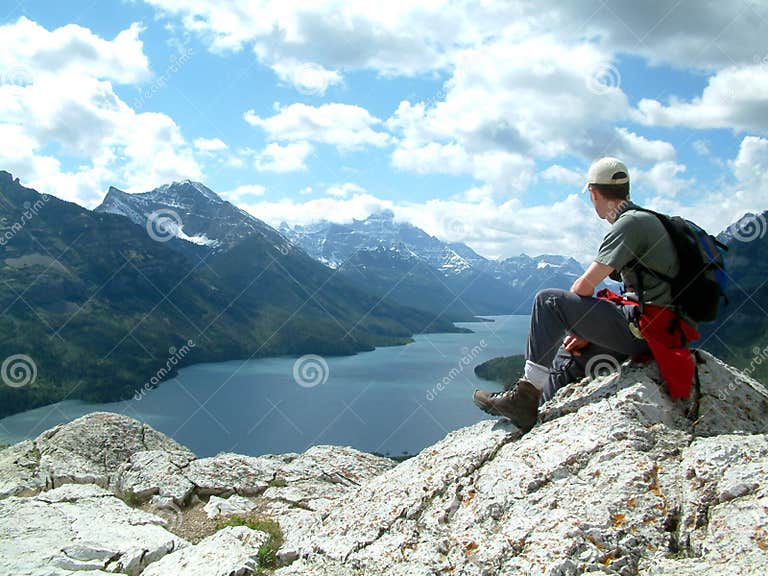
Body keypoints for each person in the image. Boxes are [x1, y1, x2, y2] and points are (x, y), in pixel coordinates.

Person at [473, 156, 687, 432]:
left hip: (646, 329)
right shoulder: (649, 221)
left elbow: (583, 288)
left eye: (591, 197)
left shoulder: (629, 225)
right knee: (572, 353)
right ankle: (533, 411)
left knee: (548, 301)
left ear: (594, 193)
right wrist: (585, 331)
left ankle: (523, 397)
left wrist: (578, 323)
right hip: (659, 331)